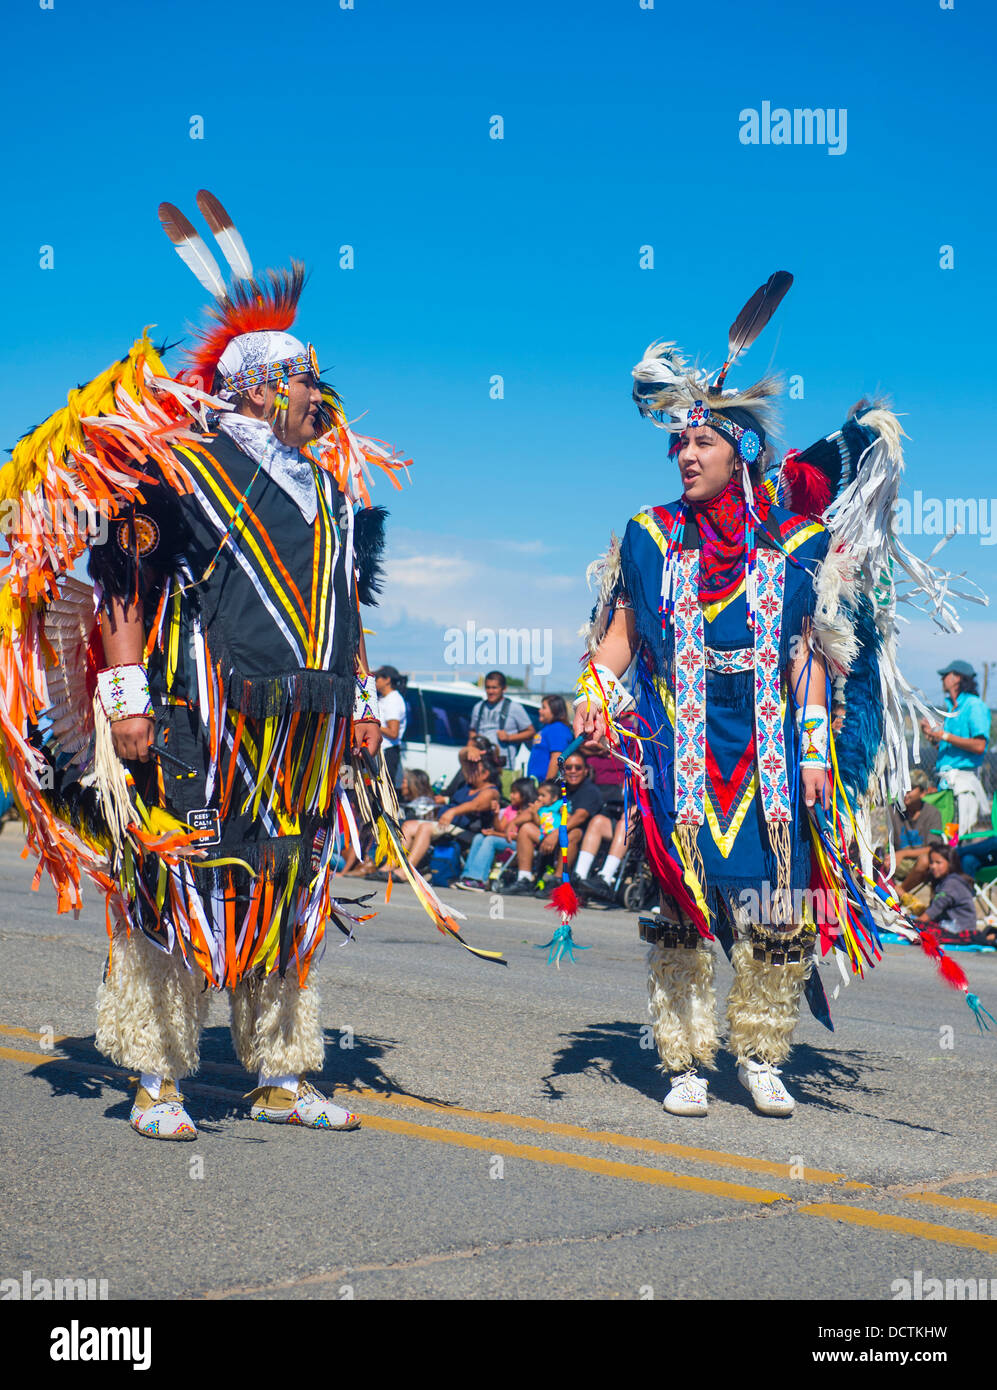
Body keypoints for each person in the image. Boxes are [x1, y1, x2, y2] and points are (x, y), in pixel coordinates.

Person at [0, 191, 424, 1140]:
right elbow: (120, 580)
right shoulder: (175, 468)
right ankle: (156, 1077)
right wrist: (124, 698)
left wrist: (358, 703)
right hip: (203, 717)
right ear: (258, 386)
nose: (322, 393)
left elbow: (344, 604)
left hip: (305, 729)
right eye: (305, 379)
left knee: (289, 880)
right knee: (180, 873)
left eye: (317, 379)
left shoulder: (331, 488)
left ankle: (279, 1072)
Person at [572, 272, 975, 1117]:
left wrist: (819, 748)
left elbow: (812, 655)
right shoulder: (648, 535)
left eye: (700, 444)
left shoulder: (795, 544)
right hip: (675, 747)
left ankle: (759, 1052)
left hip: (768, 753)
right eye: (677, 445)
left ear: (739, 452)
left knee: (775, 909)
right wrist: (594, 688)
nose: (684, 456)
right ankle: (683, 1059)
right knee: (679, 907)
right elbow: (620, 634)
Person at [506, 753, 603, 894]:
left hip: (578, 837)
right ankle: (525, 879)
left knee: (572, 834)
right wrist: (513, 822)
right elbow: (537, 807)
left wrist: (556, 833)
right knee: (526, 828)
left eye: (578, 767)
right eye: (568, 768)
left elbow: (580, 817)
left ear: (585, 770)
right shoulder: (556, 786)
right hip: (549, 830)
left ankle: (557, 881)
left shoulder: (590, 791)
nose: (573, 771)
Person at [400, 739, 502, 872]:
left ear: (485, 774)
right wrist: (469, 750)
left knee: (425, 827)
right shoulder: (469, 783)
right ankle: (391, 866)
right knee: (408, 825)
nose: (469, 770)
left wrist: (452, 812)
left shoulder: (491, 791)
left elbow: (475, 805)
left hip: (467, 832)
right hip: (447, 826)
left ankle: (405, 872)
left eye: (474, 768)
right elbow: (461, 756)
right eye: (469, 767)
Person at [920, 661, 991, 837]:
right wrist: (932, 736)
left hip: (962, 786)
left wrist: (943, 735)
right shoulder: (953, 709)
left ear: (956, 678)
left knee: (954, 841)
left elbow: (979, 745)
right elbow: (950, 748)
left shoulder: (974, 706)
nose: (942, 679)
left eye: (945, 675)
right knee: (943, 839)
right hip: (947, 785)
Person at [455, 776, 537, 891]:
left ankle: (478, 880)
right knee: (479, 837)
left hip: (520, 846)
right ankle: (467, 876)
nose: (511, 796)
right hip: (505, 842)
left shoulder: (531, 811)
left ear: (524, 793)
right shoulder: (511, 809)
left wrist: (494, 834)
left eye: (514, 793)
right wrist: (496, 814)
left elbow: (519, 837)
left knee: (490, 840)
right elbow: (501, 828)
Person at [886, 769, 944, 898]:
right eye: (902, 788)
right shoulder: (892, 809)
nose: (905, 793)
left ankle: (899, 893)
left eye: (910, 789)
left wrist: (903, 853)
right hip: (896, 862)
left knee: (925, 860)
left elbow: (933, 848)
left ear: (923, 793)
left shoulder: (932, 813)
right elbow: (880, 838)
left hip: (920, 865)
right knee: (877, 859)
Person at [463, 671, 535, 769]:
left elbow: (531, 732)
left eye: (494, 688)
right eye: (488, 687)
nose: (490, 691)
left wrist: (509, 737)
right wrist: (471, 746)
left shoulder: (514, 707)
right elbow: (472, 731)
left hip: (503, 766)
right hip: (480, 764)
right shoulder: (478, 707)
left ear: (504, 688)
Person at [914, 846, 980, 942]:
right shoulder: (945, 881)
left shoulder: (952, 883)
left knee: (917, 928)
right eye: (931, 862)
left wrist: (914, 923)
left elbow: (933, 911)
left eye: (938, 862)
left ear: (950, 863)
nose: (933, 866)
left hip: (959, 929)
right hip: (951, 925)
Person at [374, 666, 408, 790]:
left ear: (387, 680)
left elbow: (393, 733)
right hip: (380, 751)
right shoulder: (384, 699)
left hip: (387, 752)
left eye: (377, 678)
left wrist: (373, 724)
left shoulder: (393, 700)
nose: (375, 681)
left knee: (384, 791)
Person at [526, 695, 574, 781]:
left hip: (545, 784)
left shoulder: (558, 728)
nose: (539, 710)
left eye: (544, 708)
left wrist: (548, 783)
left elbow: (557, 756)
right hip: (536, 781)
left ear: (555, 710)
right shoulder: (548, 728)